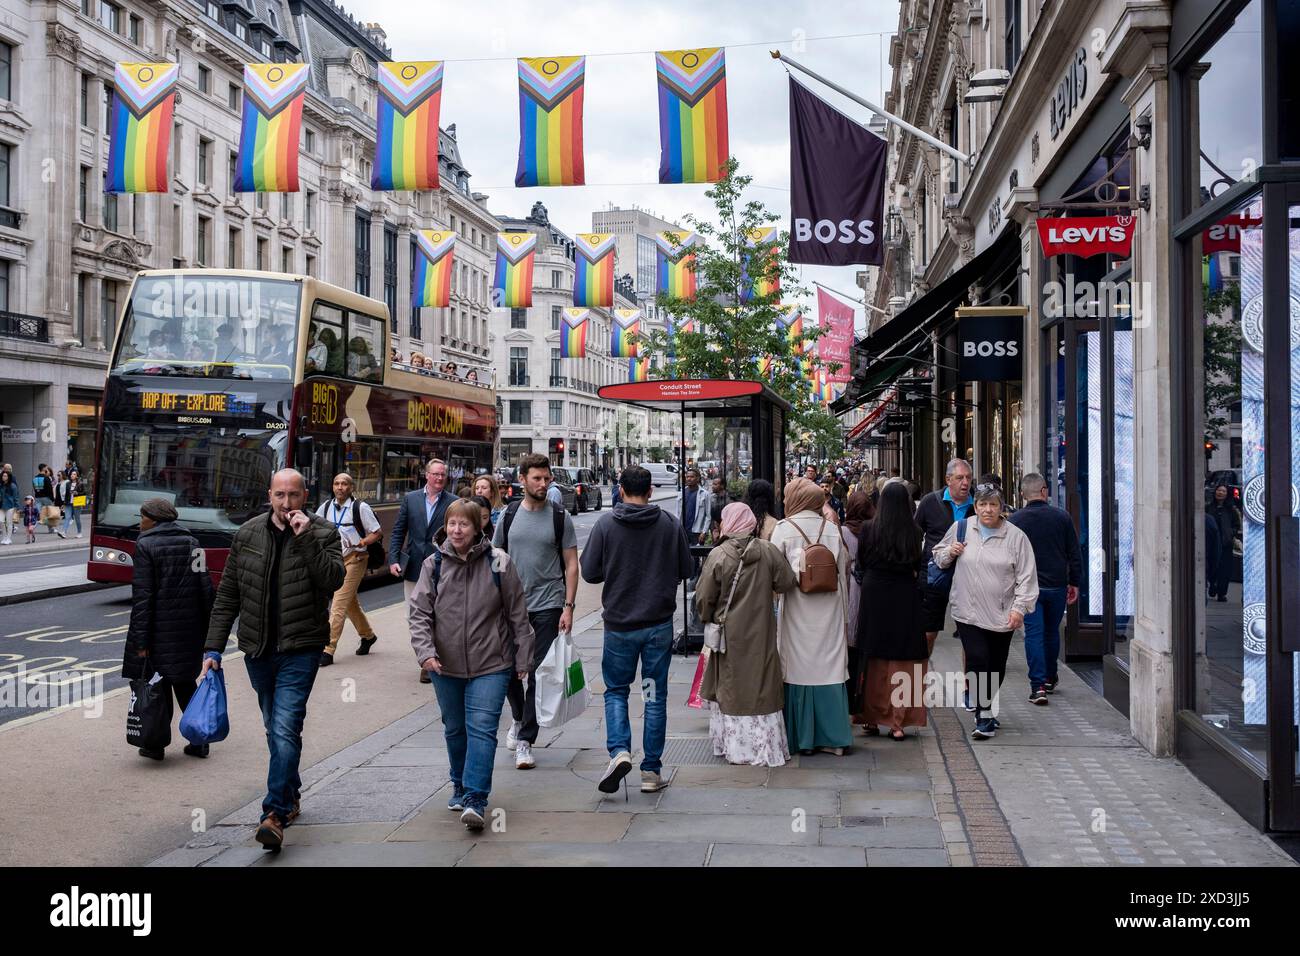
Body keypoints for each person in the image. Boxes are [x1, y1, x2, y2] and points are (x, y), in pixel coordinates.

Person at [200, 469, 345, 850]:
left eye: (293, 495)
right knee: (274, 727)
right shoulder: (247, 534)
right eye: (279, 495)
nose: (286, 503)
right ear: (269, 495)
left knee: (284, 727)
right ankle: (292, 792)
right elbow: (228, 594)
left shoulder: (323, 532)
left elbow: (332, 580)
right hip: (258, 650)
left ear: (305, 495)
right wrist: (213, 649)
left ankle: (274, 814)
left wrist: (307, 539)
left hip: (302, 648)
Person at [409, 499, 534, 830]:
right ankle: (459, 784)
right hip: (444, 665)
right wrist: (425, 652)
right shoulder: (433, 565)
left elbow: (517, 614)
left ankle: (476, 798)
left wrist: (522, 658)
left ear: (478, 528)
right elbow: (419, 613)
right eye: (452, 524)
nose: (457, 530)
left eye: (464, 524)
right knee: (455, 728)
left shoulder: (499, 563)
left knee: (482, 728)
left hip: (491, 663)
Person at [580, 465, 692, 795]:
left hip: (619, 626)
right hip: (657, 625)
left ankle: (619, 752)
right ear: (651, 491)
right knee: (653, 697)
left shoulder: (605, 525)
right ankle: (651, 771)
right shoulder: (669, 524)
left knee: (616, 690)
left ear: (620, 489)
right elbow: (686, 568)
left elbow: (589, 573)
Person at [932, 483, 1039, 740]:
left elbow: (1027, 577)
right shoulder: (962, 528)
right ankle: (984, 714)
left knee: (996, 666)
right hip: (966, 611)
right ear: (976, 506)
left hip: (1002, 614)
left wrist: (1019, 609)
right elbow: (938, 557)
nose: (987, 510)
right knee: (978, 659)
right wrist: (950, 551)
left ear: (1002, 508)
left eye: (993, 504)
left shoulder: (1015, 537)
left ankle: (985, 704)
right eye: (982, 504)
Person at [696, 502, 799, 766]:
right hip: (762, 631)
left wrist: (708, 617)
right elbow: (787, 581)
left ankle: (735, 747)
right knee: (762, 682)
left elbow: (704, 599)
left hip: (729, 635)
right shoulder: (768, 551)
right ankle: (764, 746)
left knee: (730, 684)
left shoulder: (718, 556)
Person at [493, 453, 579, 771]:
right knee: (507, 672)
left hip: (548, 605)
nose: (543, 484)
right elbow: (497, 554)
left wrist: (568, 606)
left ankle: (526, 740)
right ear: (523, 479)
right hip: (511, 607)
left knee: (539, 675)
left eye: (547, 478)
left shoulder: (559, 516)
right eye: (537, 478)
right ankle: (518, 717)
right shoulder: (510, 514)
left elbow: (572, 565)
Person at [122, 498, 215, 760]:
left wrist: (141, 642)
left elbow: (144, 597)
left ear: (154, 519)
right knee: (185, 684)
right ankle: (200, 741)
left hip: (157, 632)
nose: (140, 522)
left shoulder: (146, 546)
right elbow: (205, 588)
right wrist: (210, 633)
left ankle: (154, 744)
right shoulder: (193, 543)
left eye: (142, 517)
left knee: (158, 687)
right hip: (189, 631)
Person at [769, 477, 853, 756]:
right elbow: (843, 571)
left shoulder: (783, 529)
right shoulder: (831, 529)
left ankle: (802, 738)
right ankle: (834, 738)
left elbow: (775, 575)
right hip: (828, 609)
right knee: (829, 667)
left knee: (796, 667)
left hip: (796, 610)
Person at [855, 483, 929, 740]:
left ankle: (871, 718)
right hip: (904, 595)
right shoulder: (915, 531)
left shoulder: (868, 530)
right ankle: (898, 722)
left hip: (874, 594)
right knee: (903, 657)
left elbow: (861, 563)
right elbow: (919, 565)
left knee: (873, 656)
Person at [1008, 473, 1081, 703]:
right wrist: (1075, 582)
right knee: (1051, 632)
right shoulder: (1062, 518)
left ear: (1023, 494)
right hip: (1056, 586)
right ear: (1044, 491)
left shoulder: (1014, 521)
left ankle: (1037, 685)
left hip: (1028, 588)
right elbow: (1074, 553)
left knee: (1034, 634)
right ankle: (1050, 676)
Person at [390, 459, 457, 684]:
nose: (439, 478)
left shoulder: (453, 502)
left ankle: (430, 663)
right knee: (414, 615)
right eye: (435, 474)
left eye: (443, 475)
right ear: (426, 475)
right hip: (414, 567)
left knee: (438, 615)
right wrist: (393, 559)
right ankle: (424, 656)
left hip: (442, 568)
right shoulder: (411, 499)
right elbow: (399, 530)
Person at [314, 473, 381, 667]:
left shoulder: (360, 508)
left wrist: (361, 542)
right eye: (336, 483)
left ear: (351, 488)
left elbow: (377, 532)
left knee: (338, 604)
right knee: (349, 603)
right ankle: (368, 636)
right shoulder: (325, 507)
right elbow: (314, 527)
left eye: (344, 484)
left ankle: (328, 649)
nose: (340, 487)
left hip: (355, 559)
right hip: (334, 561)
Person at [915, 458, 975, 653]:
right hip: (934, 577)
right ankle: (920, 678)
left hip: (969, 578)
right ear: (948, 479)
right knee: (928, 633)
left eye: (968, 477)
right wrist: (917, 570)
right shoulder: (930, 502)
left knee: (971, 637)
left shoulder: (980, 505)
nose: (965, 482)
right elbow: (916, 536)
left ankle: (970, 684)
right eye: (960, 478)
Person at [840, 491, 874, 722]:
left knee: (849, 648)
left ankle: (849, 700)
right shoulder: (873, 529)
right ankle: (864, 704)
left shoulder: (841, 531)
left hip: (848, 586)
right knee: (866, 650)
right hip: (869, 586)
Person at [1205, 483, 1240, 602]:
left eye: (1223, 491)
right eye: (1219, 490)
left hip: (1226, 543)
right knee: (1213, 565)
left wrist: (1231, 533)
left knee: (1225, 569)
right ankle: (1212, 585)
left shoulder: (1231, 509)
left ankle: (1222, 593)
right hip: (1211, 543)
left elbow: (1237, 525)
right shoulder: (1208, 508)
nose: (1220, 493)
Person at [682, 467, 711, 544]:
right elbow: (678, 513)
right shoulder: (682, 493)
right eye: (687, 477)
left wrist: (704, 532)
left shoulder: (704, 494)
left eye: (692, 477)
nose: (689, 479)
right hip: (683, 530)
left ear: (697, 478)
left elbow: (708, 515)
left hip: (697, 531)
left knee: (696, 554)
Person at [56, 469, 84, 539]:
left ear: (77, 476)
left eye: (74, 474)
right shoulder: (68, 484)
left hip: (77, 503)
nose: (72, 475)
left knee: (77, 519)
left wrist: (77, 493)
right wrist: (64, 503)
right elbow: (66, 495)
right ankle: (64, 533)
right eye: (71, 474)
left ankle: (79, 532)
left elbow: (84, 493)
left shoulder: (80, 483)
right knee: (67, 518)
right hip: (68, 503)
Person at [32, 464, 56, 536]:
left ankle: (32, 527)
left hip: (38, 497)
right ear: (43, 468)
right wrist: (52, 499)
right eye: (46, 468)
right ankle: (51, 528)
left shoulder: (35, 478)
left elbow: (34, 488)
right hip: (46, 497)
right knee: (49, 513)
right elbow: (50, 489)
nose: (47, 469)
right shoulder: (46, 478)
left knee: (39, 514)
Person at [0, 468, 19, 545]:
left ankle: (8, 538)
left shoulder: (13, 486)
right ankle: (4, 537)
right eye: (3, 476)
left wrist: (17, 507)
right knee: (1, 521)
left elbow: (16, 497)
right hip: (1, 505)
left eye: (5, 476)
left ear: (8, 477)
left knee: (9, 523)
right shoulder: (0, 485)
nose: (4, 477)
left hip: (10, 506)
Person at [708, 474, 727, 542]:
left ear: (722, 486)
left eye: (715, 484)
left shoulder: (728, 500)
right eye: (713, 484)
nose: (712, 486)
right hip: (715, 529)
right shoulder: (712, 498)